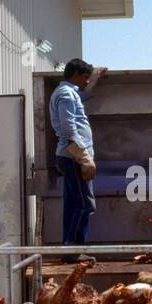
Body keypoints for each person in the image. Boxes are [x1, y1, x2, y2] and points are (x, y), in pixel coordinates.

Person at [49, 58, 105, 246]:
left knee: (73, 204)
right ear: (75, 75)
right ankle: (73, 248)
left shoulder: (67, 92)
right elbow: (68, 126)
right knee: (85, 204)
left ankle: (68, 247)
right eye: (85, 77)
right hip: (73, 156)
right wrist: (83, 157)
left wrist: (95, 76)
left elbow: (82, 98)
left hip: (70, 156)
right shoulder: (66, 94)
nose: (87, 81)